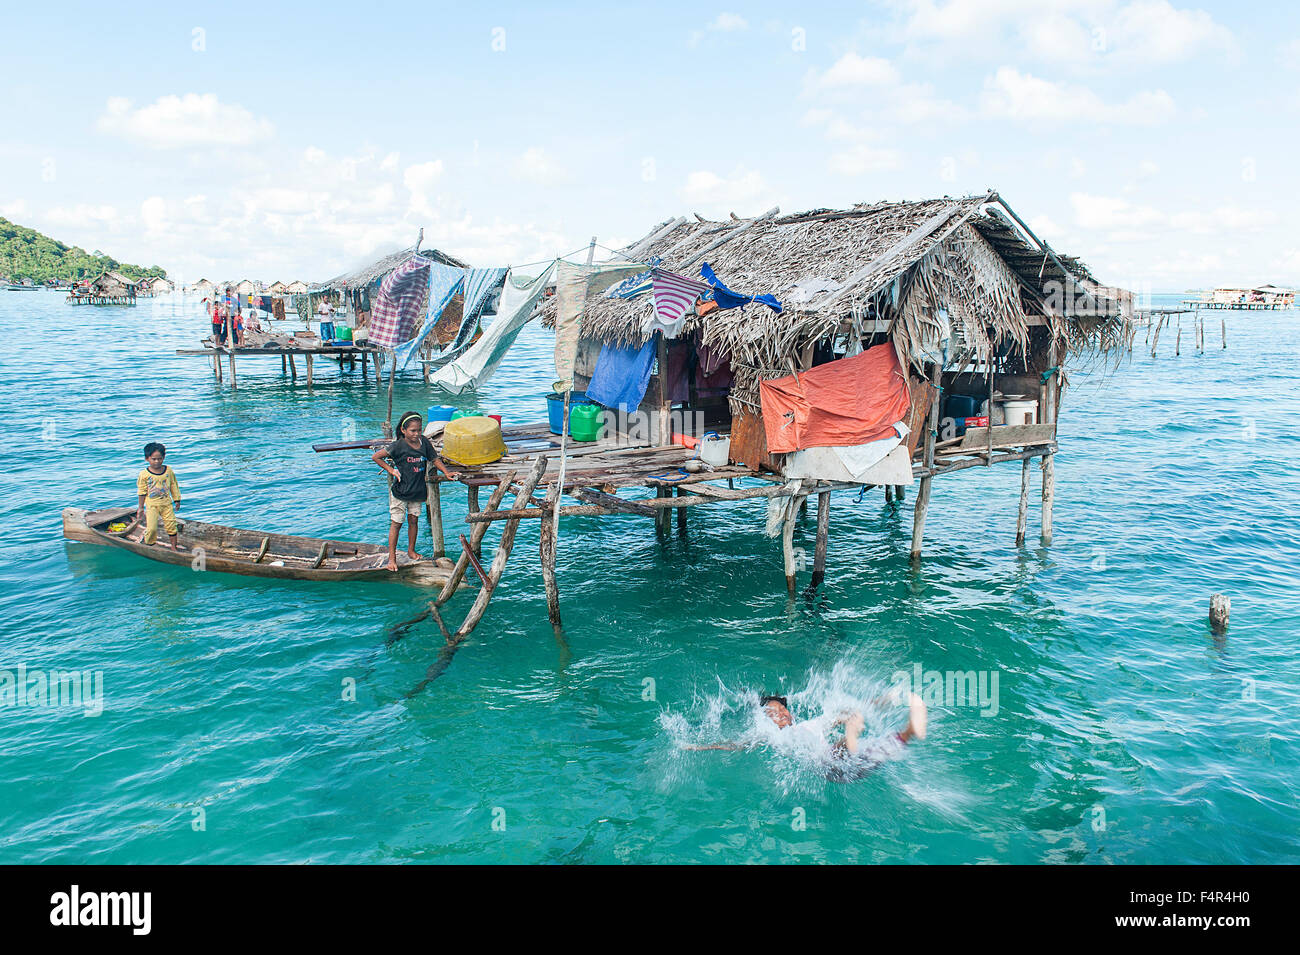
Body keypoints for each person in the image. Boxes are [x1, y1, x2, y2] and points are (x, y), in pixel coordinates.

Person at [685, 691, 927, 781]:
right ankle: (850, 738)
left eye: (782, 710)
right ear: (765, 717)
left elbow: (849, 711)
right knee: (838, 751)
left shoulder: (813, 724)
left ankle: (908, 731)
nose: (781, 714)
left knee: (868, 741)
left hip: (848, 766)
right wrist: (701, 747)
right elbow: (736, 746)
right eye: (773, 712)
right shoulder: (770, 735)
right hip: (829, 768)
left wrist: (880, 702)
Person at [371, 411, 459, 571]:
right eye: (413, 430)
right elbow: (376, 457)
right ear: (404, 430)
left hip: (418, 491)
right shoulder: (398, 445)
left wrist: (446, 472)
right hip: (400, 492)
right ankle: (392, 558)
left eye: (419, 430)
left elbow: (434, 458)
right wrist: (392, 470)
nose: (417, 433)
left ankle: (411, 550)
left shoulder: (424, 442)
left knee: (413, 521)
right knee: (396, 523)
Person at [136, 442, 182, 550]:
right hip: (152, 505)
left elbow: (173, 485)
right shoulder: (144, 474)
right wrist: (140, 508)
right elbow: (142, 492)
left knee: (171, 525)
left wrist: (177, 499)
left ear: (164, 457)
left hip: (166, 503)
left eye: (159, 459)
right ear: (147, 459)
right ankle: (150, 544)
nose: (157, 462)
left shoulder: (168, 471)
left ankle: (174, 547)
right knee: (151, 528)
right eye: (153, 459)